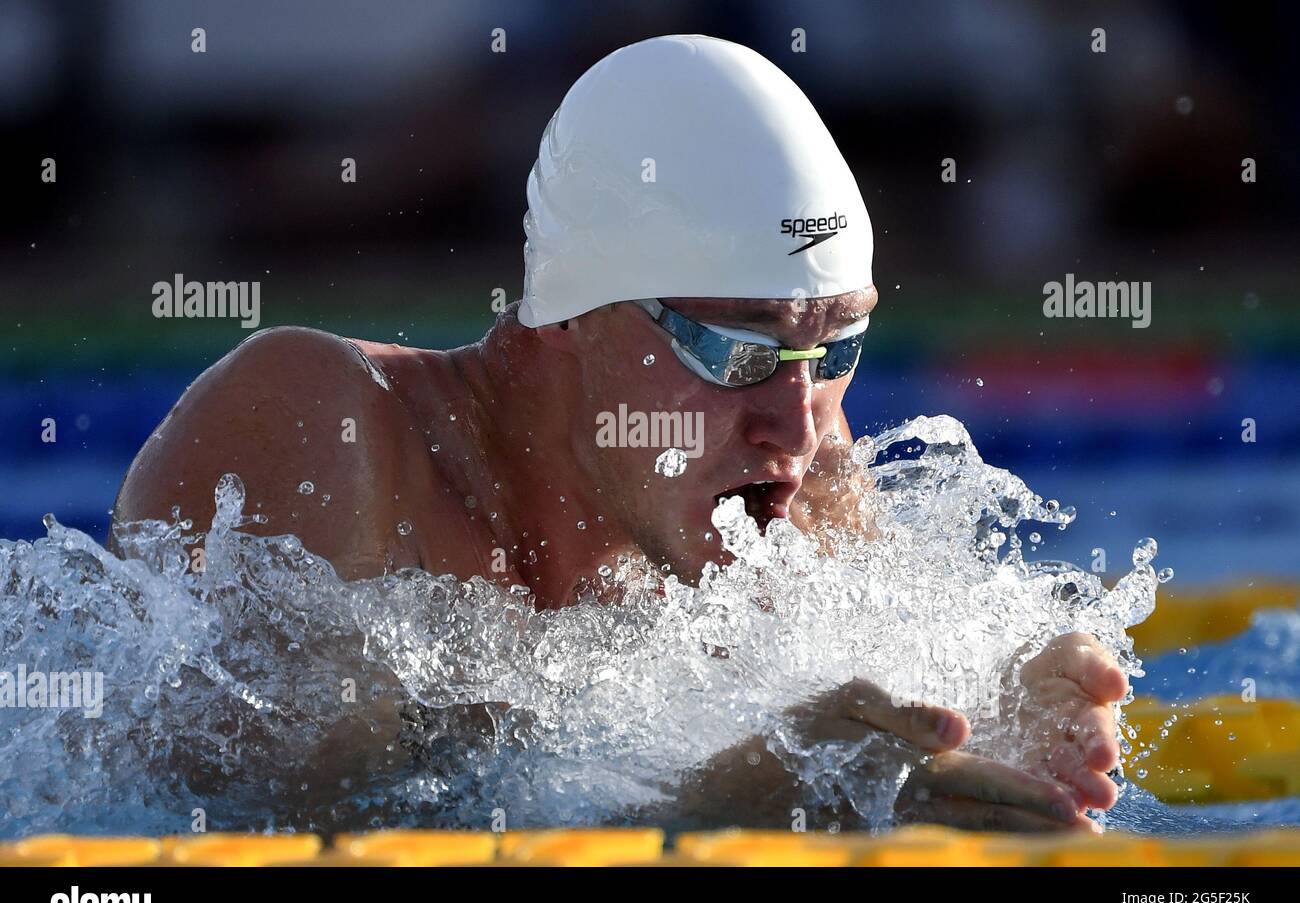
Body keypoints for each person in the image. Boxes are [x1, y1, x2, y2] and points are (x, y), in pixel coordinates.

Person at [112, 35, 1125, 831]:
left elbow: (886, 719)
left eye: (835, 343)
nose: (799, 427)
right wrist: (692, 820)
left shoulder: (786, 440)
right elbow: (289, 832)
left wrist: (1005, 710)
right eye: (736, 348)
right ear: (567, 321)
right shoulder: (321, 423)